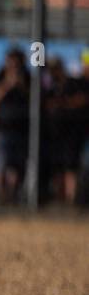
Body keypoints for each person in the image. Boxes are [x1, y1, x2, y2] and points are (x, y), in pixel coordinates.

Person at [0, 48, 30, 204]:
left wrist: (21, 85)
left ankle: (12, 196)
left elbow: (37, 100)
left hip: (22, 129)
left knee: (16, 166)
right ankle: (1, 196)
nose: (14, 66)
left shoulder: (28, 77)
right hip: (3, 129)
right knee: (1, 164)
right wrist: (8, 84)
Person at [43, 57, 89, 203]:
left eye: (54, 69)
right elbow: (47, 105)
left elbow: (81, 100)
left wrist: (62, 104)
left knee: (71, 167)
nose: (52, 73)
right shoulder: (52, 87)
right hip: (56, 134)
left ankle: (71, 199)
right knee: (57, 168)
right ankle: (60, 198)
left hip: (74, 133)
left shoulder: (74, 83)